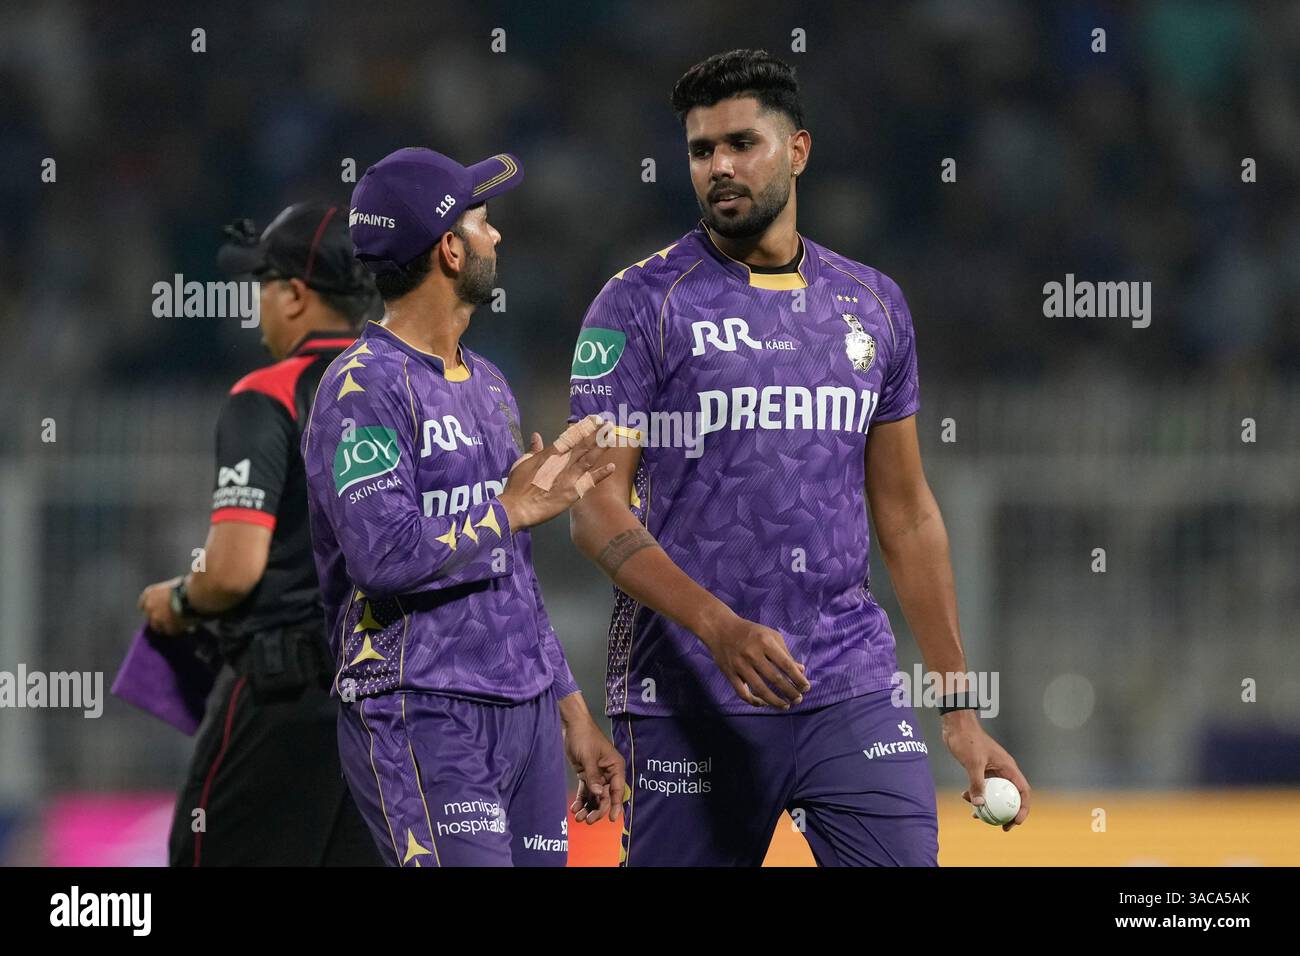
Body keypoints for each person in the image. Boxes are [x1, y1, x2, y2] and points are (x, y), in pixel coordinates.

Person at [567, 49, 1031, 866]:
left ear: (799, 151)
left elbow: (908, 511)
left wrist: (958, 707)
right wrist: (718, 626)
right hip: (688, 695)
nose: (719, 167)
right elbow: (594, 507)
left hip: (848, 687)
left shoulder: (873, 304)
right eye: (701, 151)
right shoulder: (638, 304)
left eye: (742, 143)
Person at [301, 147, 624, 867]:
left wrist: (571, 711)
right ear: (449, 250)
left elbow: (512, 571)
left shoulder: (489, 383)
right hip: (418, 707)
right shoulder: (361, 389)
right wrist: (510, 508)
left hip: (525, 715)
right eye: (483, 222)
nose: (497, 236)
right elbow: (381, 558)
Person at [138, 201, 382, 865]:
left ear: (297, 295)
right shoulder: (407, 386)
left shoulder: (268, 394)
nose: (258, 304)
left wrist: (179, 602)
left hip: (285, 696)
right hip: (387, 705)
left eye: (263, 286)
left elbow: (234, 570)